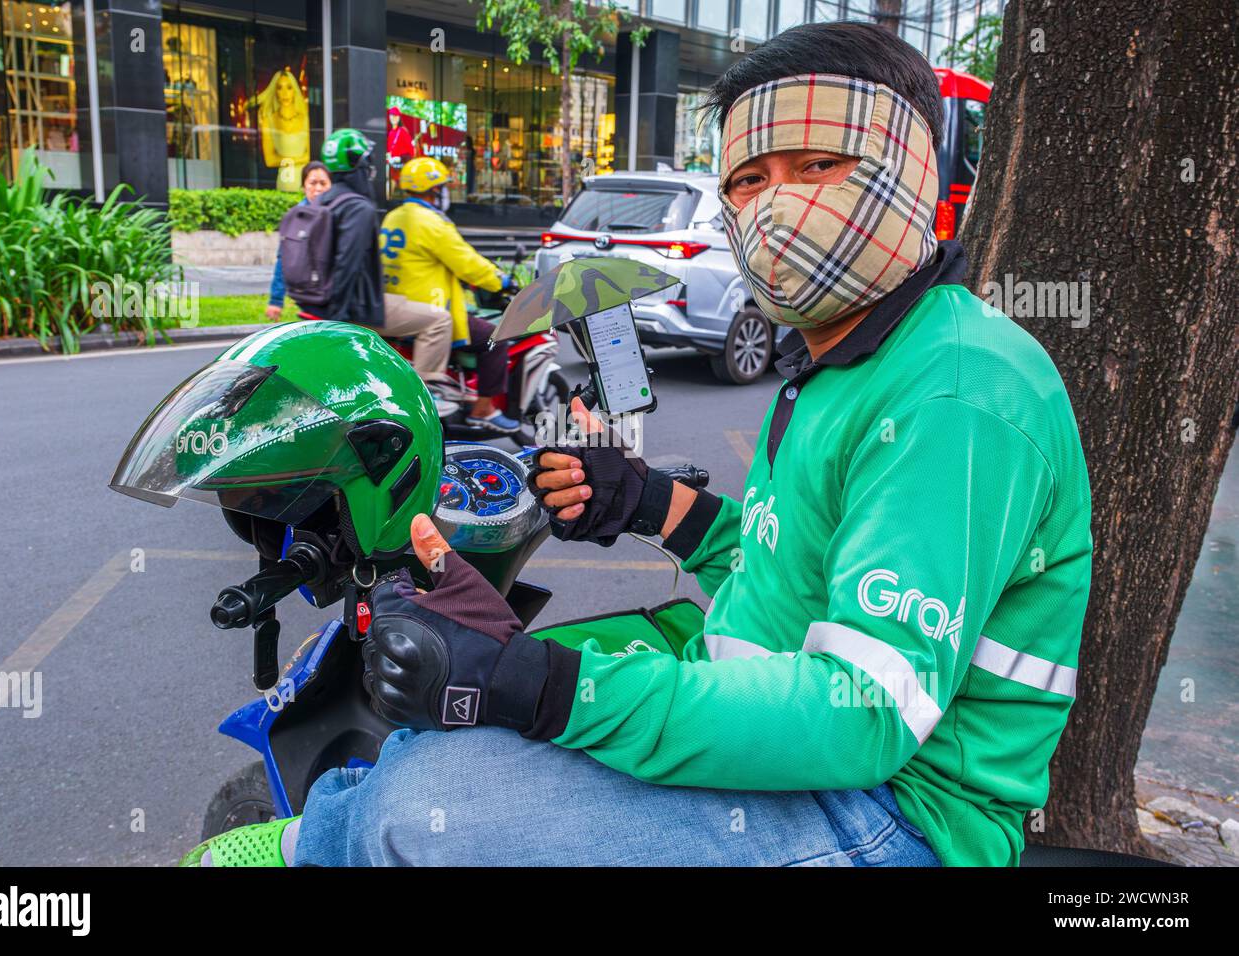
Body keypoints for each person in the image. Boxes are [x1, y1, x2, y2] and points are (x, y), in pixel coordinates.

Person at [185, 23, 1092, 868]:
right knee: (451, 730)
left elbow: (858, 713)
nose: (776, 207)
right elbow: (791, 568)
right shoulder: (847, 357)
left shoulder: (959, 393)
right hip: (774, 706)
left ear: (916, 173)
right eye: (747, 180)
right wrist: (655, 505)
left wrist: (534, 684)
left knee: (415, 804)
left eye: (818, 164)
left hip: (892, 809)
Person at [298, 129, 453, 383]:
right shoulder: (359, 207)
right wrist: (337, 325)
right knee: (439, 320)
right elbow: (347, 265)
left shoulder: (321, 203)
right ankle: (425, 393)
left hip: (317, 304)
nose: (371, 167)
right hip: (357, 308)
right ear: (358, 163)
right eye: (367, 160)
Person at [380, 155, 521, 434]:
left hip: (396, 306)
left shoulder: (393, 216)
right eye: (443, 187)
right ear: (434, 190)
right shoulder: (431, 222)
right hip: (429, 307)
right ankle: (484, 409)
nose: (445, 193)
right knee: (495, 337)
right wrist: (502, 281)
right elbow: (467, 262)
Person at [266, 161, 330, 321]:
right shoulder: (296, 218)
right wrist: (276, 300)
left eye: (323, 183)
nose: (318, 189)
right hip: (309, 296)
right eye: (312, 183)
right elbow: (284, 259)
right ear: (304, 187)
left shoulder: (338, 212)